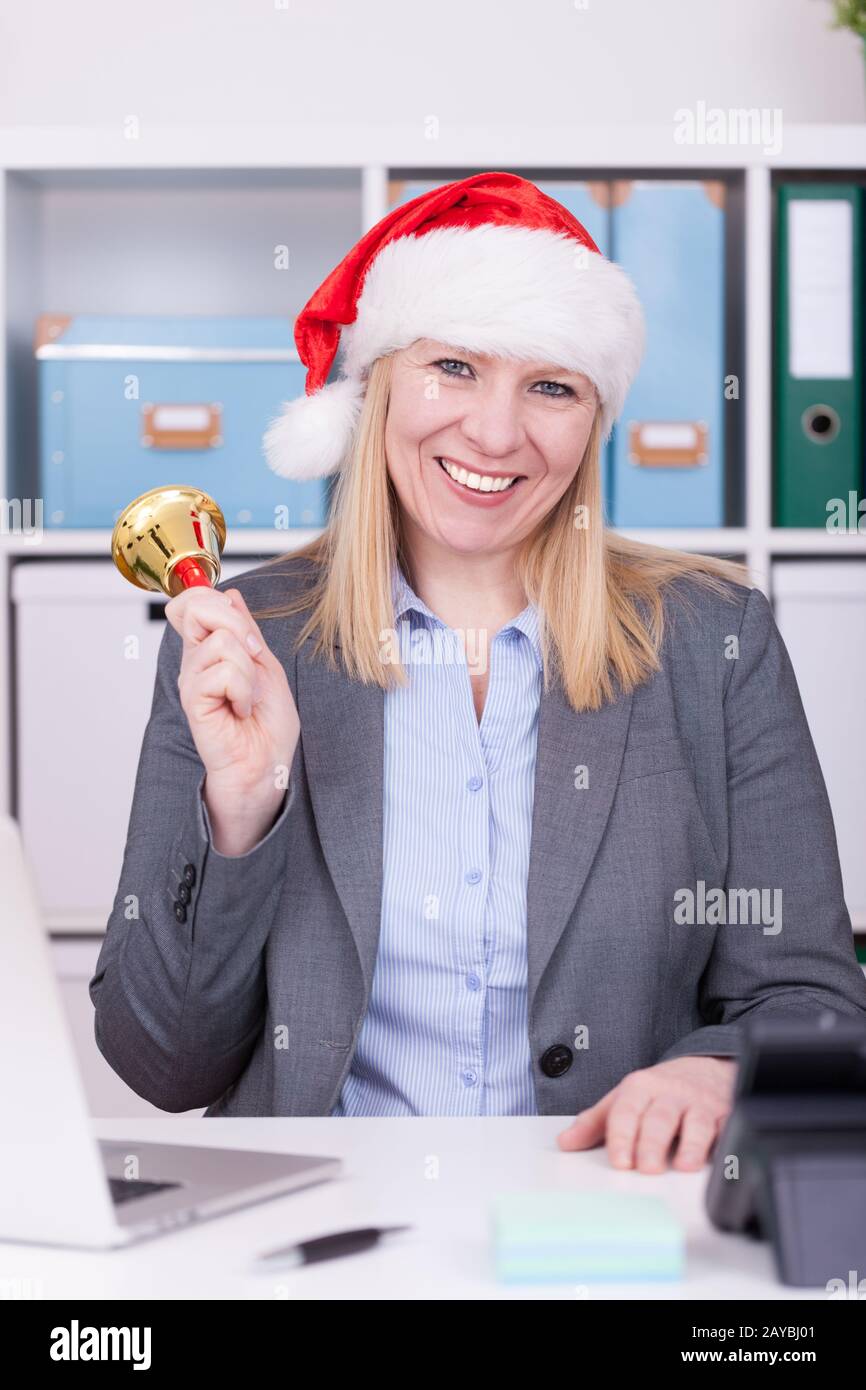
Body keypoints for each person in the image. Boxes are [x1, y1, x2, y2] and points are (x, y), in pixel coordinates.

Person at [90, 172, 866, 1174]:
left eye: (550, 386)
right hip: (328, 1222)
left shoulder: (713, 640)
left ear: (591, 420)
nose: (496, 434)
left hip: (613, 1211)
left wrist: (718, 1067)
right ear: (375, 390)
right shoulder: (247, 640)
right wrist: (243, 810)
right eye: (453, 367)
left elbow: (806, 997)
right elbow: (164, 1066)